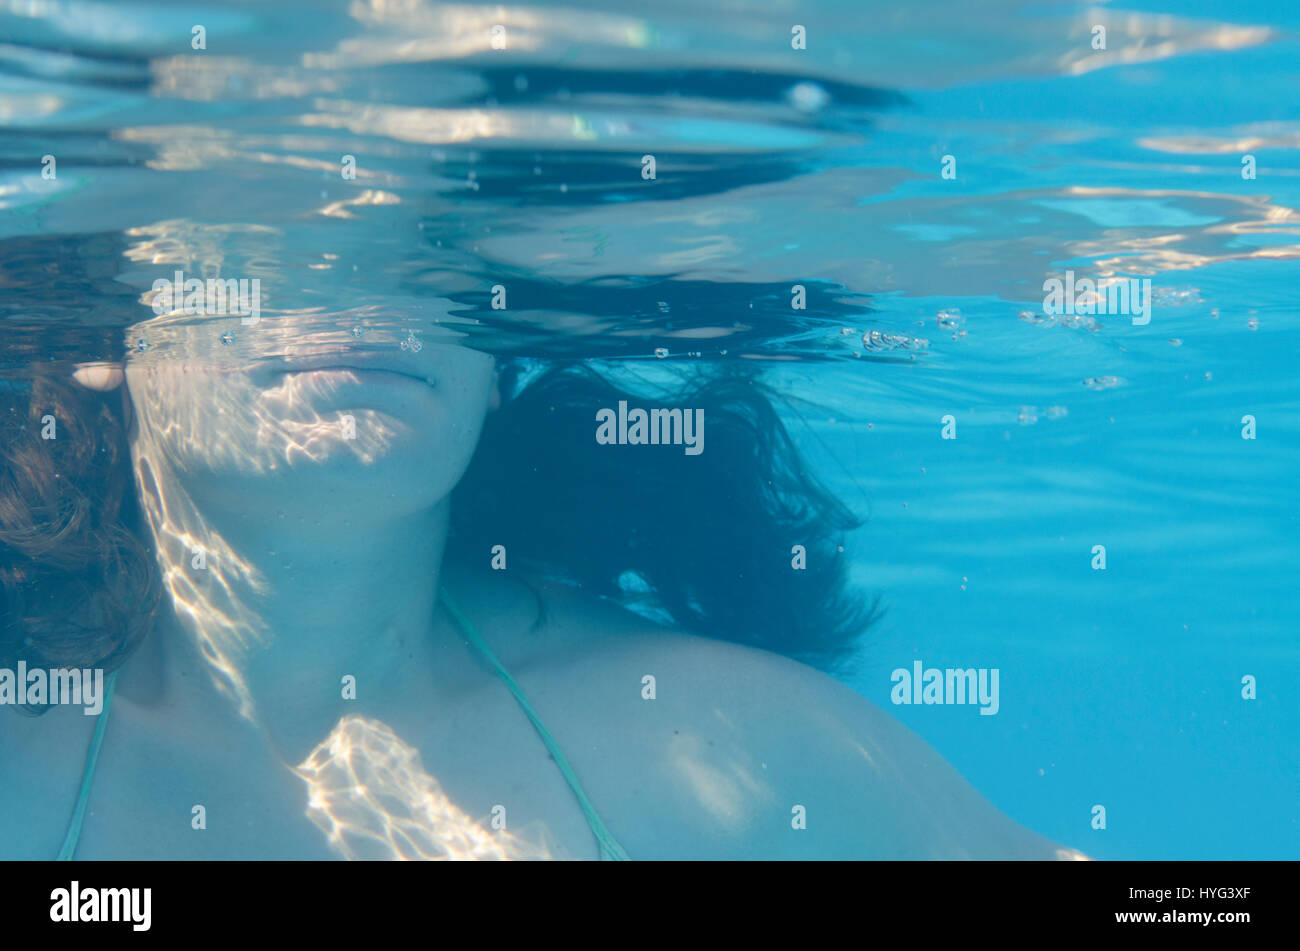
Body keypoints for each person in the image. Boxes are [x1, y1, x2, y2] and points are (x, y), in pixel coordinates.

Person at [0, 322, 1083, 860]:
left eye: (426, 233)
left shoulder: (712, 733)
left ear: (498, 357)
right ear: (102, 342)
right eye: (267, 209)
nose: (362, 286)